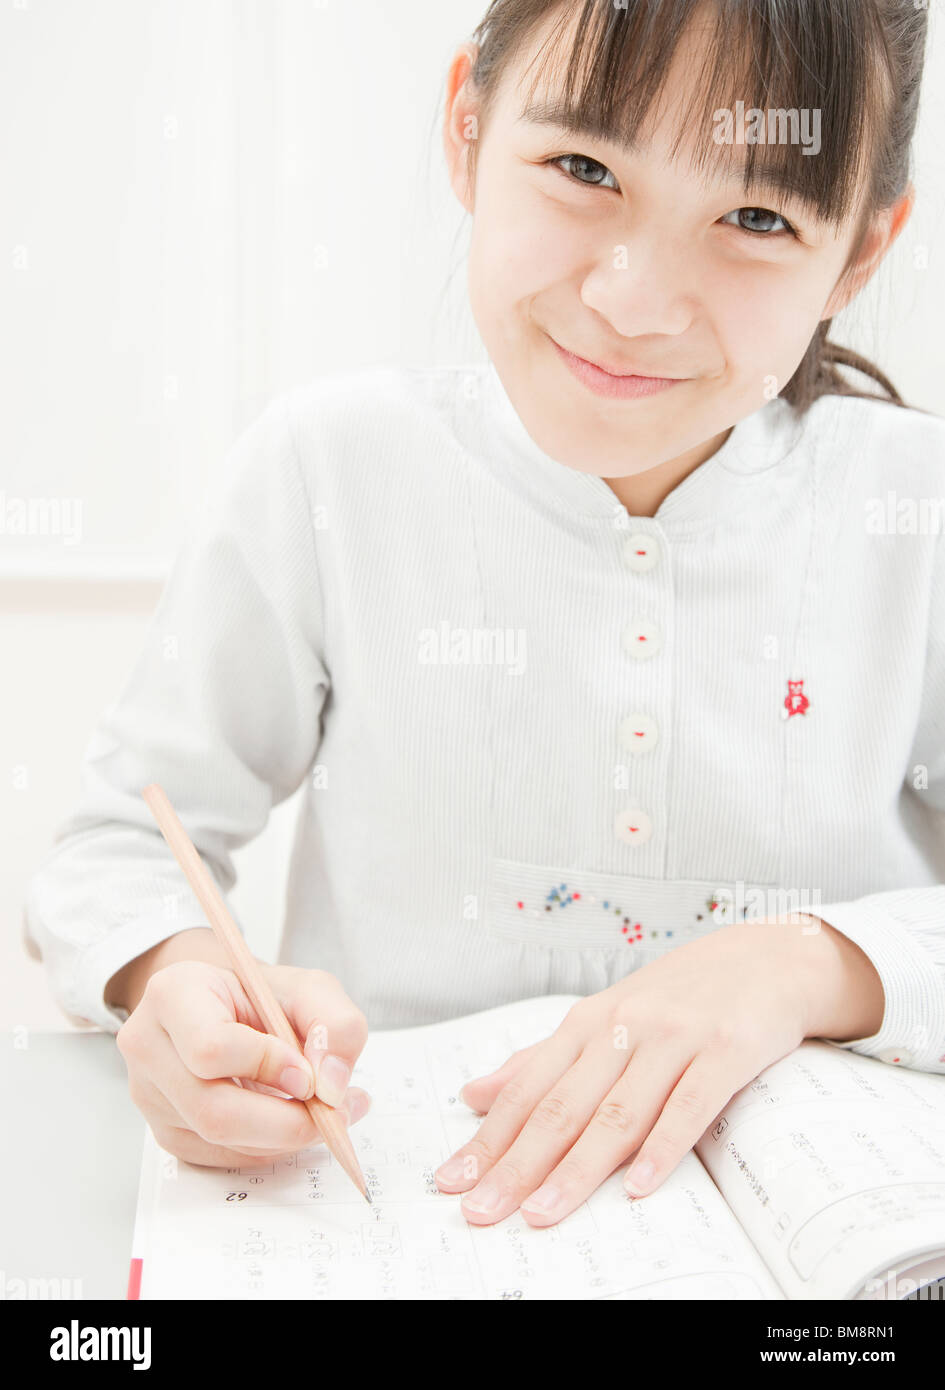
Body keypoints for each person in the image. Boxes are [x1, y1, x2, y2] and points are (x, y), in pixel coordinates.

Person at [25, 0, 944, 1231]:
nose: (634, 299)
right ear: (467, 127)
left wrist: (801, 963)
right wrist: (178, 976)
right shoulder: (331, 475)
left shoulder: (911, 513)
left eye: (758, 216)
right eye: (583, 169)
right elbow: (114, 848)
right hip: (414, 1225)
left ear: (862, 251)